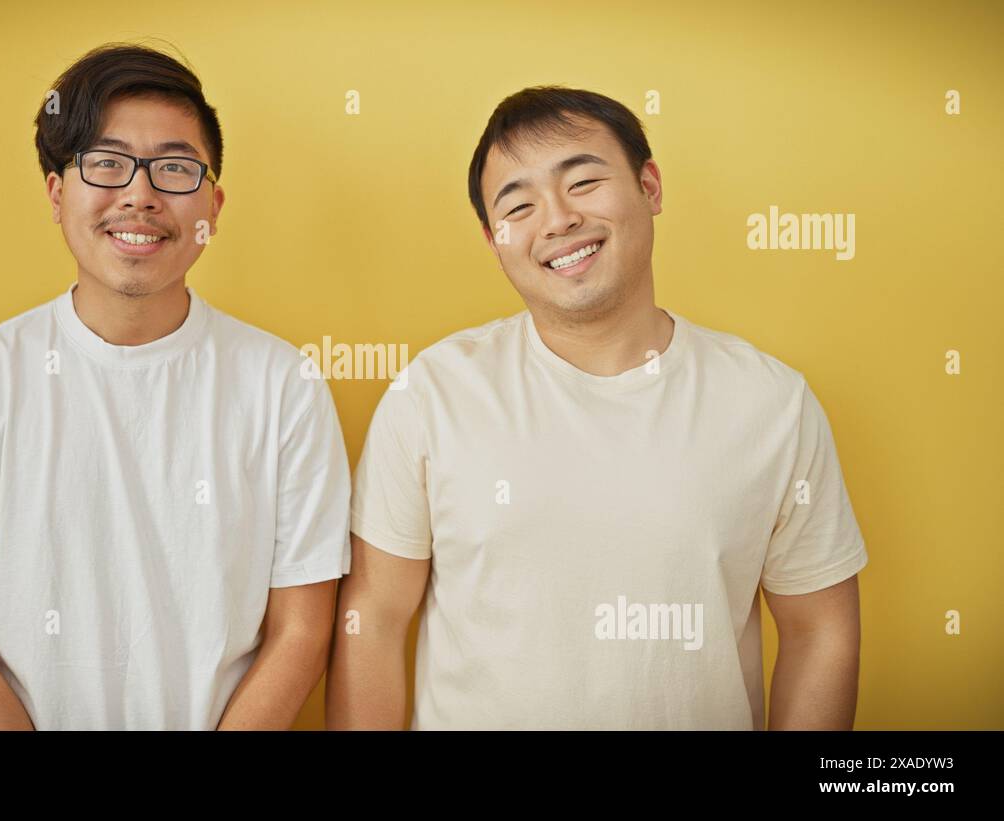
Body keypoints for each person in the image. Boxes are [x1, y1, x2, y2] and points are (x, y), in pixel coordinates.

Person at [327, 86, 867, 730]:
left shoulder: (771, 401)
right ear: (492, 238)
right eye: (519, 205)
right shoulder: (433, 394)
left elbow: (820, 633)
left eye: (582, 182)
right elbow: (375, 621)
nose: (556, 220)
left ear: (650, 187)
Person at [0, 43, 350, 730]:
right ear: (55, 192)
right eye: (105, 163)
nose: (140, 194)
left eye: (174, 168)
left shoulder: (285, 385)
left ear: (212, 205)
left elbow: (301, 634)